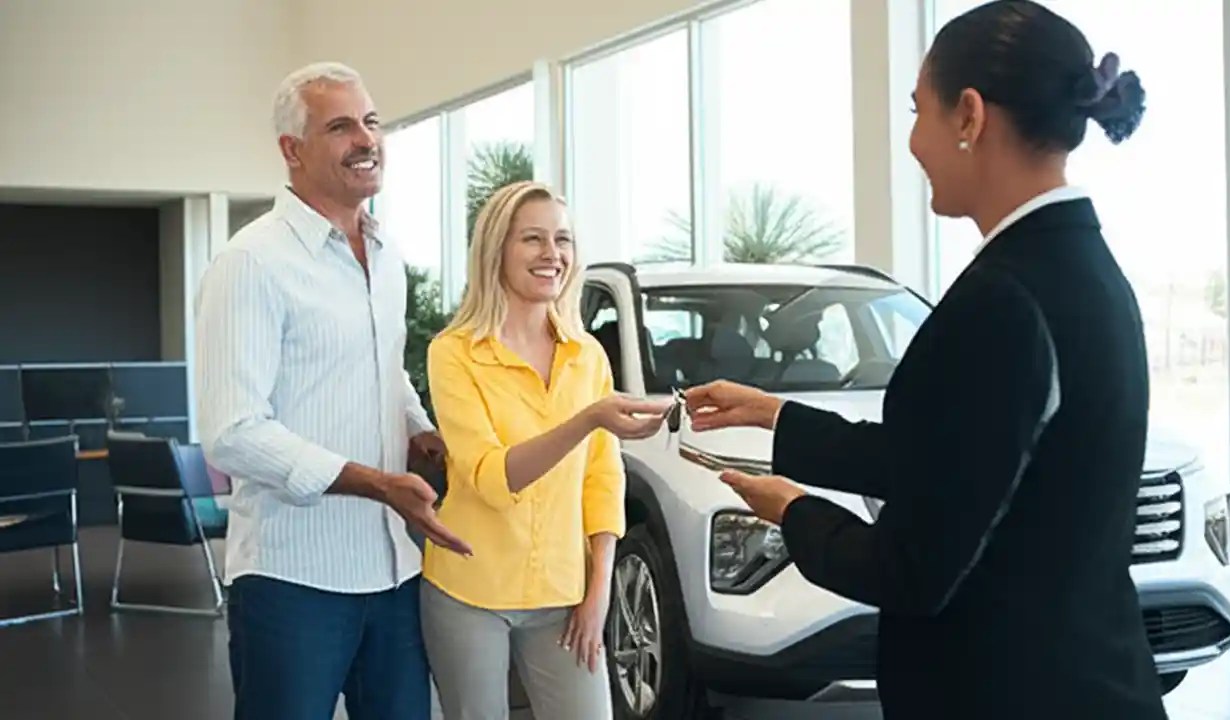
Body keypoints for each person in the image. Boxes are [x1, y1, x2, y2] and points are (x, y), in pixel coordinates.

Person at [683, 2, 1167, 718]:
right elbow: (950, 462)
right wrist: (774, 416)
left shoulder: (1002, 301)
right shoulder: (1085, 269)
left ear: (968, 116)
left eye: (918, 111)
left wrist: (794, 513)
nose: (912, 142)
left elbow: (911, 572)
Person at [194, 61, 470, 720]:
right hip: (293, 580)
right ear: (292, 151)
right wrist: (375, 482)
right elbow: (232, 432)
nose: (366, 139)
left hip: (394, 571)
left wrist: (419, 428)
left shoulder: (388, 251)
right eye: (341, 126)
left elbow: (385, 366)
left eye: (371, 122)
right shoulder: (251, 262)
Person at [420, 180, 670, 719]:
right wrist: (586, 420)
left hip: (564, 591)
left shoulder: (587, 356)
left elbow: (602, 482)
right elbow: (490, 477)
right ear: (497, 251)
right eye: (531, 238)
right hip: (470, 590)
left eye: (562, 239)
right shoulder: (454, 354)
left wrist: (598, 587)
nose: (551, 254)